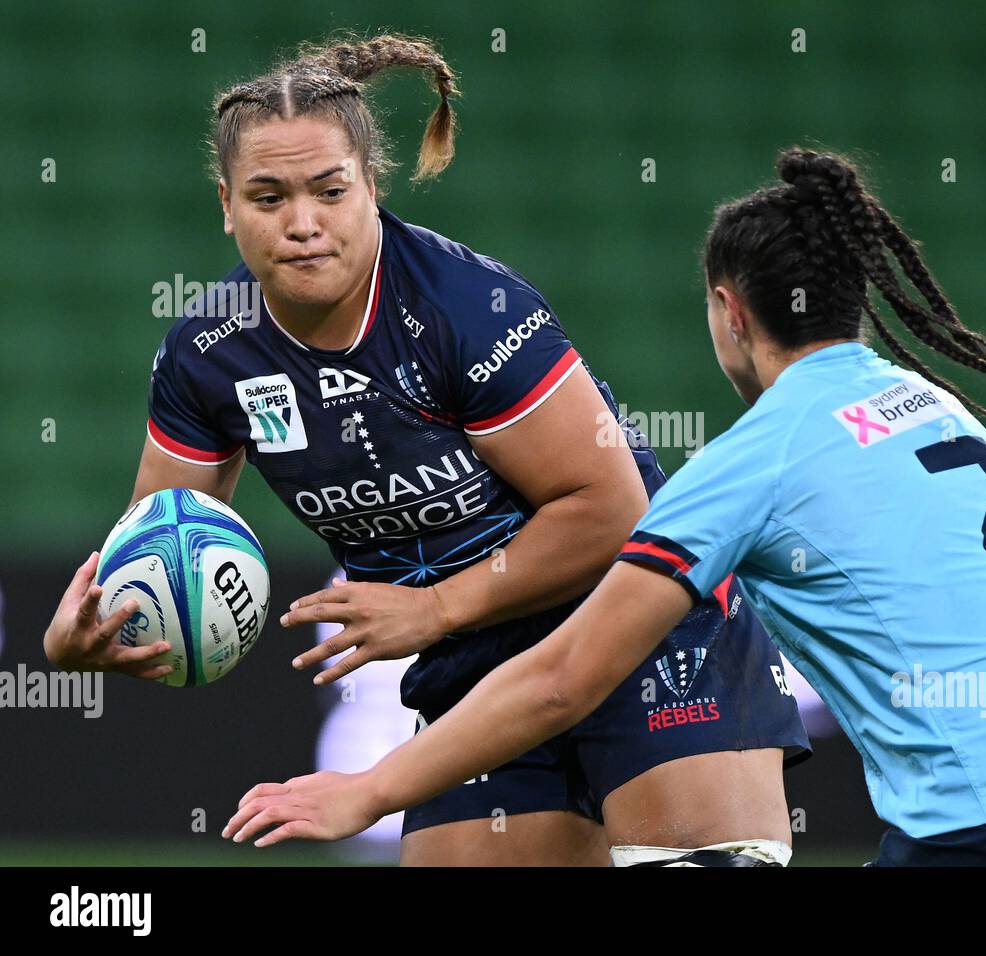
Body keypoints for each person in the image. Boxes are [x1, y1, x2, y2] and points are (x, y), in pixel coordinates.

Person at [224, 147, 986, 866]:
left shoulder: (751, 459)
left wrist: (369, 788)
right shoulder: (933, 404)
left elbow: (561, 680)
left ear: (729, 308)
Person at [42, 34, 809, 868]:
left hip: (641, 621)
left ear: (371, 187)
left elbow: (614, 511)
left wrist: (434, 609)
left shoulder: (464, 309)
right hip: (477, 673)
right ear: (226, 204)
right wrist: (85, 639)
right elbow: (159, 539)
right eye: (268, 197)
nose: (302, 224)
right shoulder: (209, 354)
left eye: (329, 191)